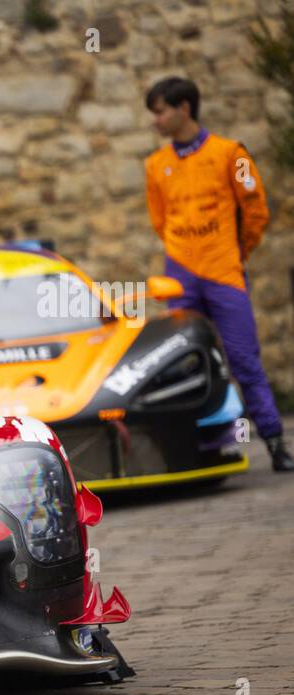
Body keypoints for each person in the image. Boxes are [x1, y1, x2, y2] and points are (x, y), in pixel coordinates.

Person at [144, 76, 293, 472]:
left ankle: (275, 442)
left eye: (160, 112)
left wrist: (237, 250)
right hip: (181, 274)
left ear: (184, 108)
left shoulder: (232, 154)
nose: (155, 121)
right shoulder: (155, 165)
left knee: (244, 359)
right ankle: (199, 448)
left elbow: (256, 210)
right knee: (186, 363)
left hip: (224, 270)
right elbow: (160, 221)